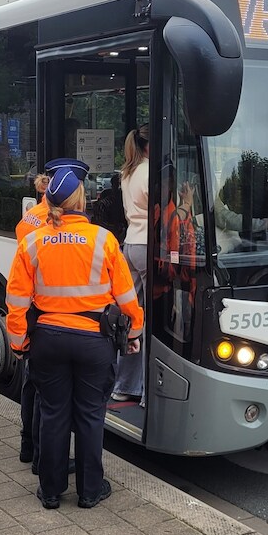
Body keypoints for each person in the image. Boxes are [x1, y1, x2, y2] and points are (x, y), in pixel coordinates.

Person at [6, 166, 143, 510]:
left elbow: (17, 300)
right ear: (81, 200)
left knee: (53, 414)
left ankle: (51, 491)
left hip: (48, 340)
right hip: (94, 341)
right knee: (90, 415)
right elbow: (127, 297)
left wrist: (18, 343)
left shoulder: (32, 241)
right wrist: (134, 333)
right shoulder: (104, 240)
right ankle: (89, 491)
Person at [15, 158, 89, 469]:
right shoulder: (53, 222)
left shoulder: (32, 216)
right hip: (47, 313)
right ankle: (41, 456)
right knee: (47, 394)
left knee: (32, 384)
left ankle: (28, 447)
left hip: (32, 310)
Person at [115, 124, 150, 402]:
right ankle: (148, 389)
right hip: (149, 246)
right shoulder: (150, 172)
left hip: (131, 244)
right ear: (149, 145)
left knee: (132, 316)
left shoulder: (127, 172)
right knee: (151, 319)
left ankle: (124, 385)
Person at [90, 174, 127, 244]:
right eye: (117, 185)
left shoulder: (130, 202)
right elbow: (100, 223)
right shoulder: (104, 203)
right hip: (107, 238)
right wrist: (118, 228)